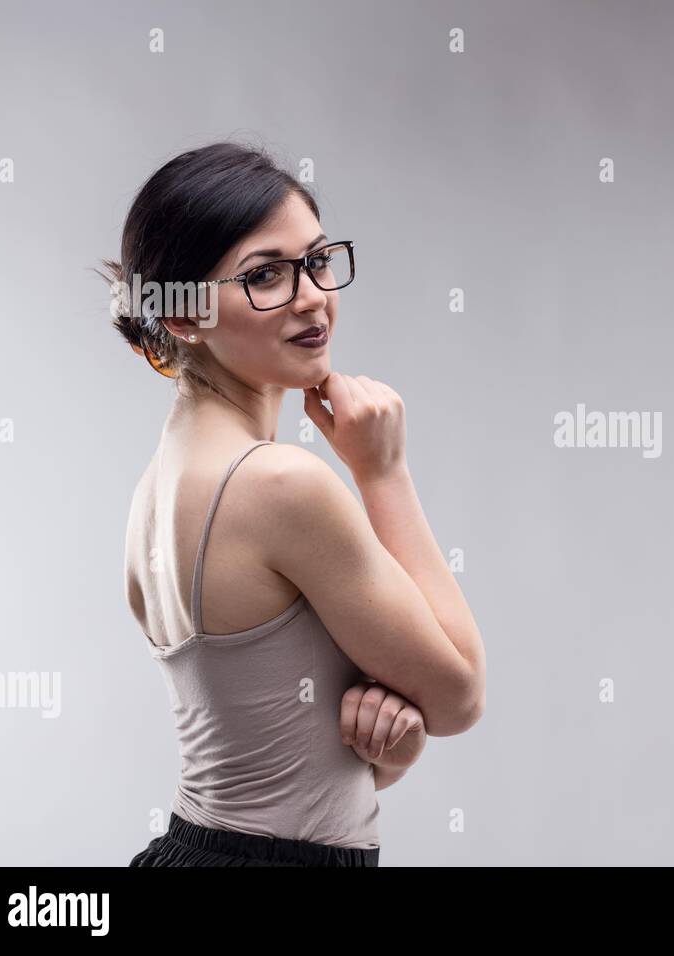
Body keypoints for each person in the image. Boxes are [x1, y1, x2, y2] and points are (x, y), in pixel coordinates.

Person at [106, 142, 486, 866]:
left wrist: (390, 750)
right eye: (265, 276)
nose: (311, 294)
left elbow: (273, 755)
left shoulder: (154, 490)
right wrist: (383, 473)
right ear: (182, 317)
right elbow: (461, 694)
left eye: (315, 261)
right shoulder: (280, 484)